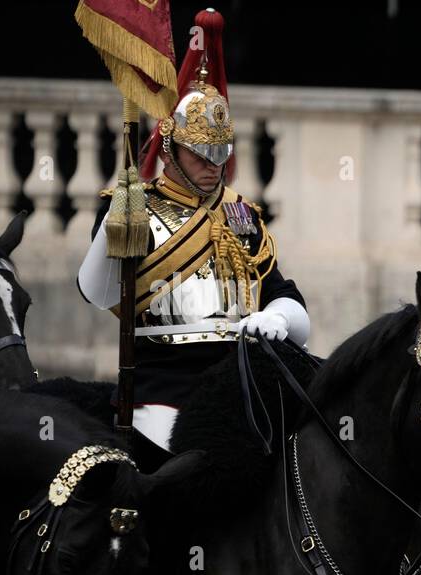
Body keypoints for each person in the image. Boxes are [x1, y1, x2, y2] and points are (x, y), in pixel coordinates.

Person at [77, 8, 308, 466]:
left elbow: (287, 297)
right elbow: (98, 293)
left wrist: (279, 318)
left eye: (219, 154)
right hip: (164, 386)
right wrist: (116, 220)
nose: (212, 165)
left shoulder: (243, 215)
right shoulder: (135, 204)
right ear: (170, 148)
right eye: (200, 153)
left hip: (241, 378)